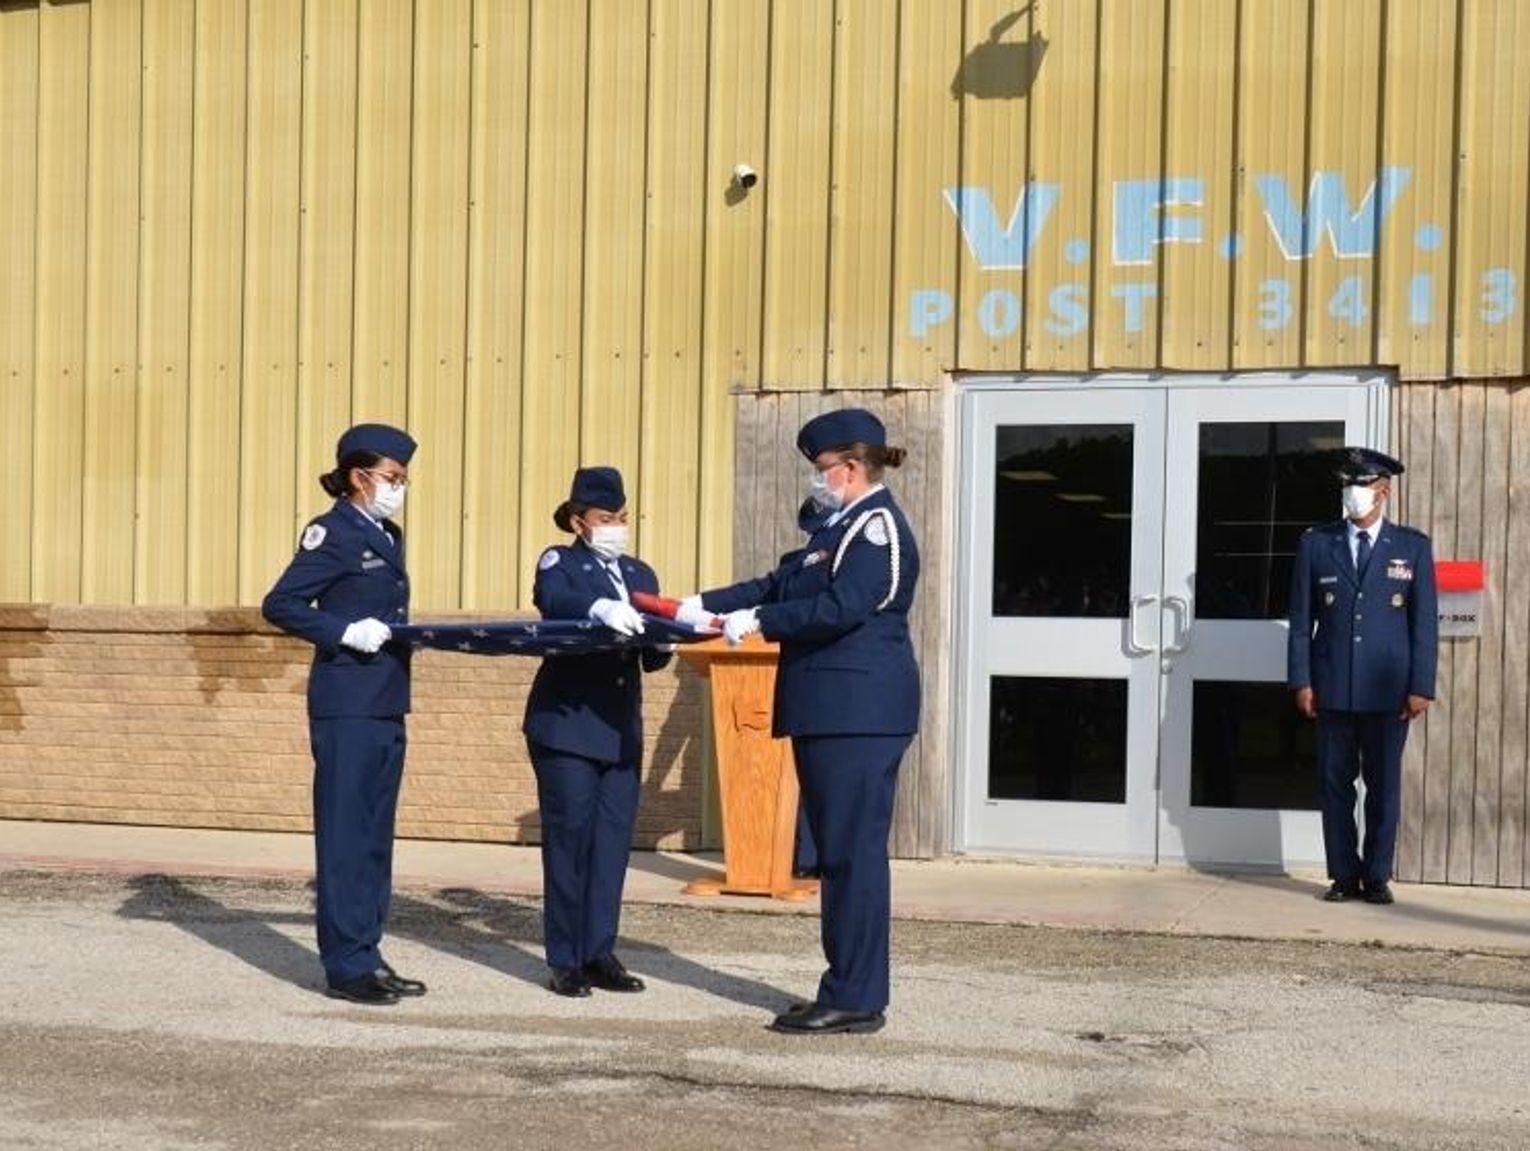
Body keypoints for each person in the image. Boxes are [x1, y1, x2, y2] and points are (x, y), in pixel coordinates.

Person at [683, 409, 920, 1035]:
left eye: (821, 470)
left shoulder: (875, 529)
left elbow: (843, 606)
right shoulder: (834, 530)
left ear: (847, 467)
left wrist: (761, 623)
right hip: (831, 712)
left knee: (851, 858)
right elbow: (778, 583)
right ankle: (845, 985)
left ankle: (857, 996)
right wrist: (699, 606)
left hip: (859, 714)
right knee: (839, 858)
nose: (817, 481)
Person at [262, 423, 424, 1005]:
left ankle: (368, 952)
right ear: (359, 477)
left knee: (375, 838)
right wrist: (344, 631)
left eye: (403, 480)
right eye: (391, 478)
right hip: (346, 704)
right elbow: (280, 604)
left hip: (384, 700)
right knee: (345, 836)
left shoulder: (386, 532)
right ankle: (345, 967)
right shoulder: (329, 532)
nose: (398, 488)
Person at [523, 467, 672, 997]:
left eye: (622, 517)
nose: (616, 527)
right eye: (605, 519)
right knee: (569, 841)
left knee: (610, 845)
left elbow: (650, 657)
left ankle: (598, 951)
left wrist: (667, 639)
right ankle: (564, 958)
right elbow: (554, 600)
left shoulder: (639, 573)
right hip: (567, 726)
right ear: (579, 522)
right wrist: (600, 607)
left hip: (618, 728)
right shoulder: (561, 561)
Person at [1287, 446, 1438, 906]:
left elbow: (1423, 624)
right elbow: (1300, 621)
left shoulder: (1412, 547)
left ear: (1383, 492)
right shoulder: (1317, 543)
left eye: (1362, 486)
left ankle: (1375, 876)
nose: (1352, 495)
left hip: (1389, 694)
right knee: (1334, 787)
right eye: (1348, 486)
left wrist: (1420, 685)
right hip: (1331, 688)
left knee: (1383, 789)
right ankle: (1342, 876)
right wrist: (1301, 680)